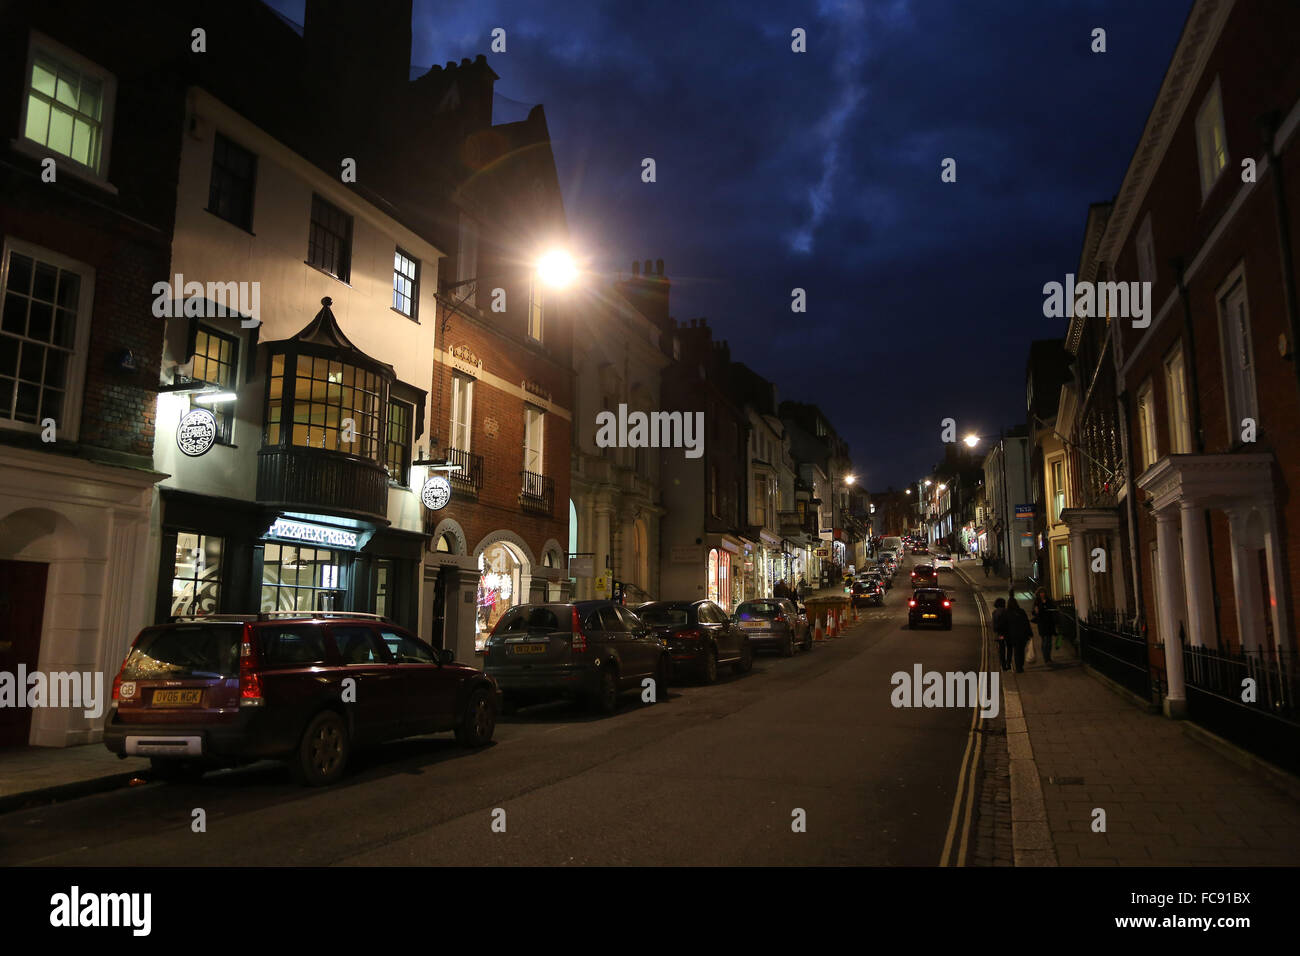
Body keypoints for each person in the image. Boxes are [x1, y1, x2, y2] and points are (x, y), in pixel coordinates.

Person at [1003, 595, 1033, 673]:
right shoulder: (1021, 611)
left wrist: (1004, 634)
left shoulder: (1007, 613)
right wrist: (1029, 633)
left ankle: (1018, 667)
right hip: (1022, 635)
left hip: (1013, 635)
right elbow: (1026, 623)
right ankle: (1020, 665)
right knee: (1021, 651)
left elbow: (1005, 625)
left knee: (1016, 651)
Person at [1032, 588, 1058, 665]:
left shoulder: (1049, 601)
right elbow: (1034, 612)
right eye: (1041, 593)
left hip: (1049, 623)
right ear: (1039, 594)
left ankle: (1048, 657)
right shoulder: (1037, 602)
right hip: (1042, 624)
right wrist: (1036, 611)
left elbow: (1053, 609)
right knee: (1045, 641)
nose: (1042, 594)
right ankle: (1046, 658)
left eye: (1043, 592)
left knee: (1049, 641)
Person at [991, 597, 1011, 670]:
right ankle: (1008, 663)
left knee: (1001, 649)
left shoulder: (995, 612)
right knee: (1009, 648)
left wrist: (995, 632)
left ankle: (1003, 665)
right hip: (1007, 633)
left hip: (1000, 634)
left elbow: (993, 624)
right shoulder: (1007, 611)